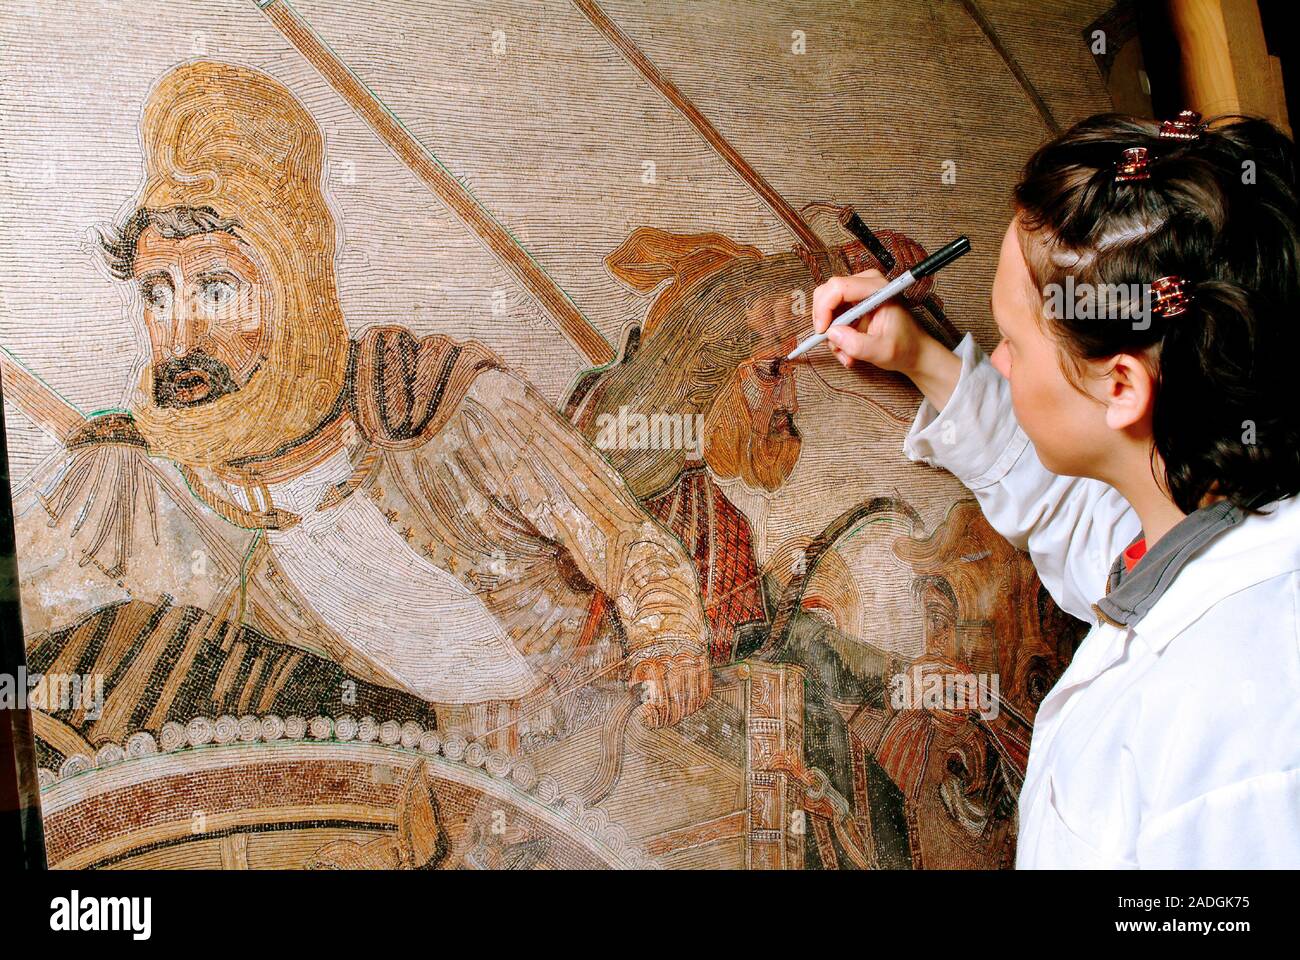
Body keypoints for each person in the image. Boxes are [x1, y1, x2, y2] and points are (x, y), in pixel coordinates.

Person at [808, 111, 1300, 868]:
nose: (1001, 365)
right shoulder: (1200, 510)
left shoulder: (1231, 735)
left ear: (1124, 386)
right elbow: (1087, 515)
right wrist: (921, 357)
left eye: (1013, 340)